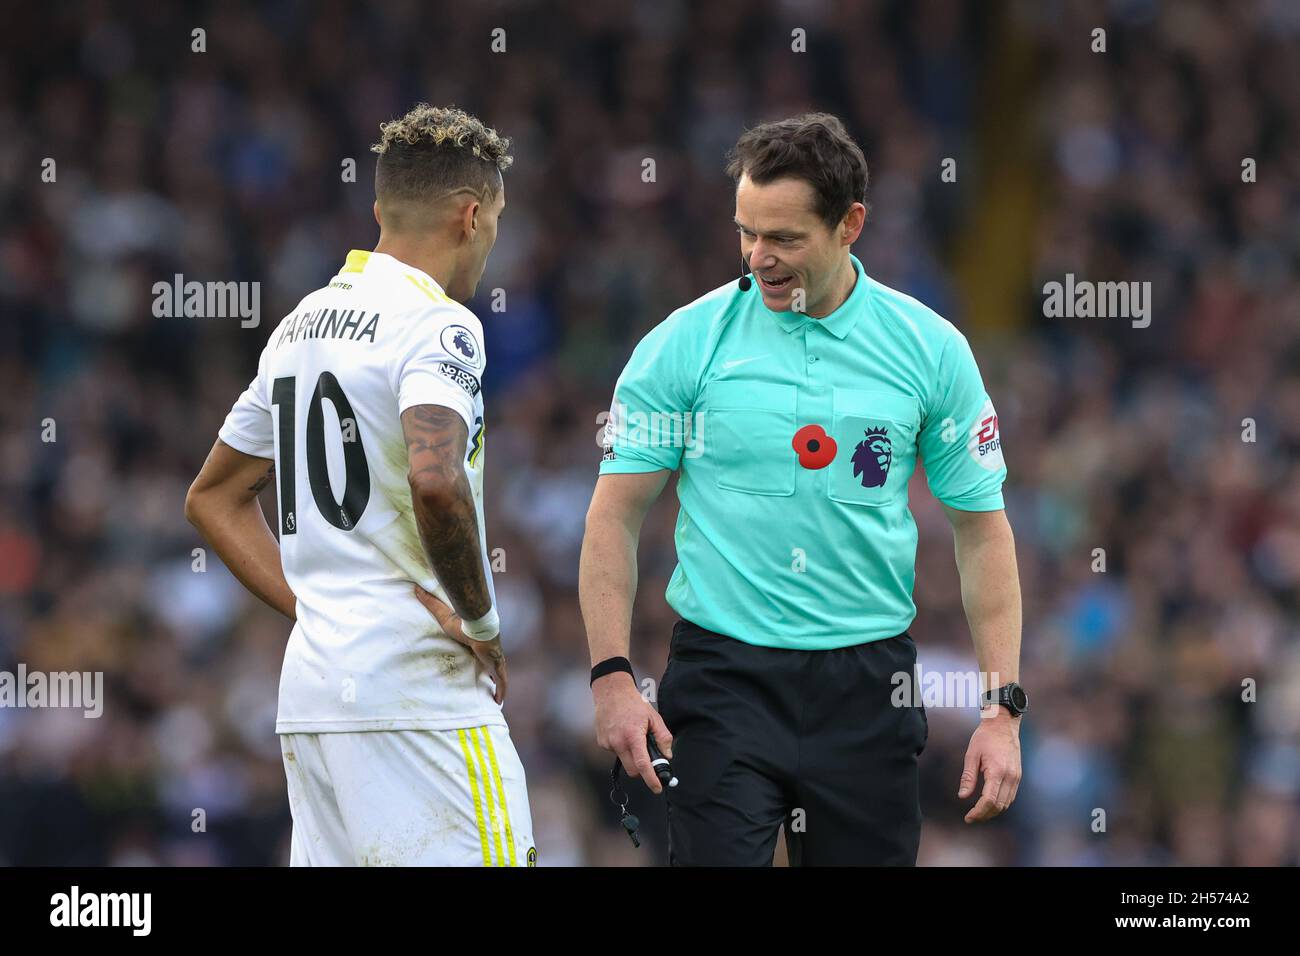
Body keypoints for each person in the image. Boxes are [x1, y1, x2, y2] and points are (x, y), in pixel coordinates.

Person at [579, 113, 1025, 866]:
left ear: (850, 225)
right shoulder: (683, 345)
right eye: (746, 233)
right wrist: (612, 677)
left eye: (784, 238)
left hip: (868, 687)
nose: (759, 258)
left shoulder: (930, 350)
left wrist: (1002, 707)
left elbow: (982, 530)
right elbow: (614, 518)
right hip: (723, 681)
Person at [185, 104, 534, 866]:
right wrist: (482, 625)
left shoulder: (299, 325)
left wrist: (320, 609)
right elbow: (436, 481)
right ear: (471, 216)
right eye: (499, 219)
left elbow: (212, 496)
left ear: (380, 211)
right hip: (418, 696)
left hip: (314, 696)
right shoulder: (440, 325)